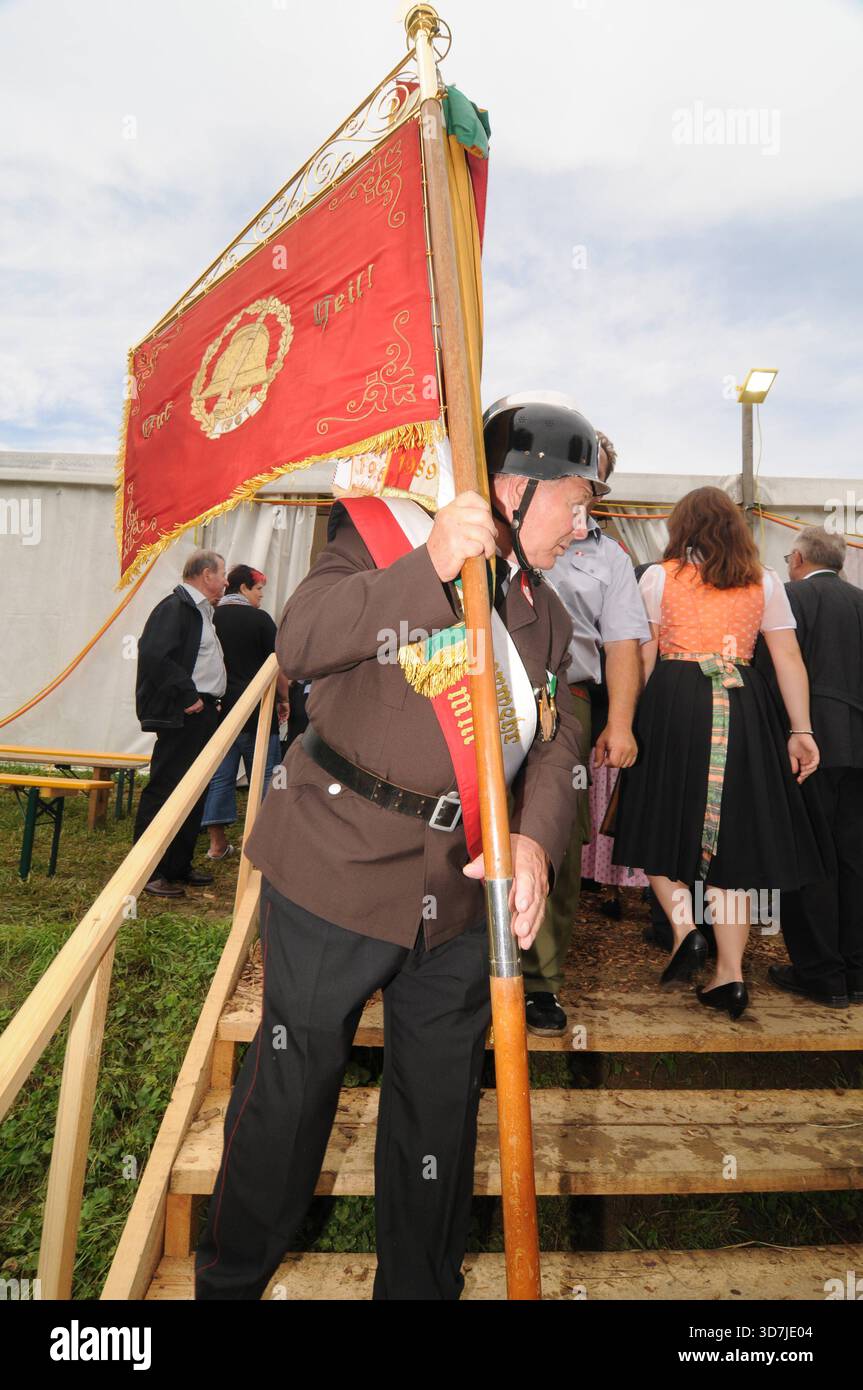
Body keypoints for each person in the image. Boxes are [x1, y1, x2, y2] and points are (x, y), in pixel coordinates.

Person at [194, 394, 591, 1300]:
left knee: (439, 1113)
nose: (583, 525)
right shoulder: (375, 544)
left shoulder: (547, 615)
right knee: (294, 1092)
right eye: (575, 501)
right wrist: (432, 564)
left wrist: (532, 840)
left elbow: (557, 736)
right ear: (514, 491)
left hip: (459, 892)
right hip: (338, 862)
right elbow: (300, 643)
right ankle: (229, 1283)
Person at [612, 487, 826, 1020]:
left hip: (674, 703)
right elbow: (788, 658)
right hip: (744, 705)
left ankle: (686, 929)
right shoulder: (767, 582)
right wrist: (801, 729)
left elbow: (644, 655)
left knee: (656, 819)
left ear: (680, 528)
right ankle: (729, 976)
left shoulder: (658, 577)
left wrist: (627, 722)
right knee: (736, 847)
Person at [518, 420, 649, 1035]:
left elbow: (624, 641)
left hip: (567, 699)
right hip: (490, 687)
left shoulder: (611, 556)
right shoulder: (504, 529)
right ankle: (457, 959)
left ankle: (540, 982)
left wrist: (619, 723)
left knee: (556, 837)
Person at [757, 527, 863, 1007]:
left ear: (797, 557)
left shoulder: (789, 596)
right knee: (854, 862)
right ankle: (857, 971)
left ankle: (821, 973)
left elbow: (769, 669)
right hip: (859, 747)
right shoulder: (861, 601)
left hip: (808, 744)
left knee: (810, 856)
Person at [133, 550, 227, 897]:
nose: (226, 581)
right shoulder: (174, 608)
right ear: (206, 575)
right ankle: (149, 870)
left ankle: (177, 865)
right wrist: (189, 697)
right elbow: (155, 655)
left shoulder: (201, 611)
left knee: (193, 790)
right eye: (223, 574)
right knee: (165, 788)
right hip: (182, 714)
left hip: (200, 713)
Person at [200, 564, 291, 860]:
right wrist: (284, 698)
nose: (262, 596)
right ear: (243, 588)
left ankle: (216, 845)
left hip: (220, 712)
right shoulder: (260, 619)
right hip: (258, 711)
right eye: (258, 589)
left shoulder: (210, 617)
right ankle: (259, 847)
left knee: (220, 778)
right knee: (265, 777)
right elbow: (278, 665)